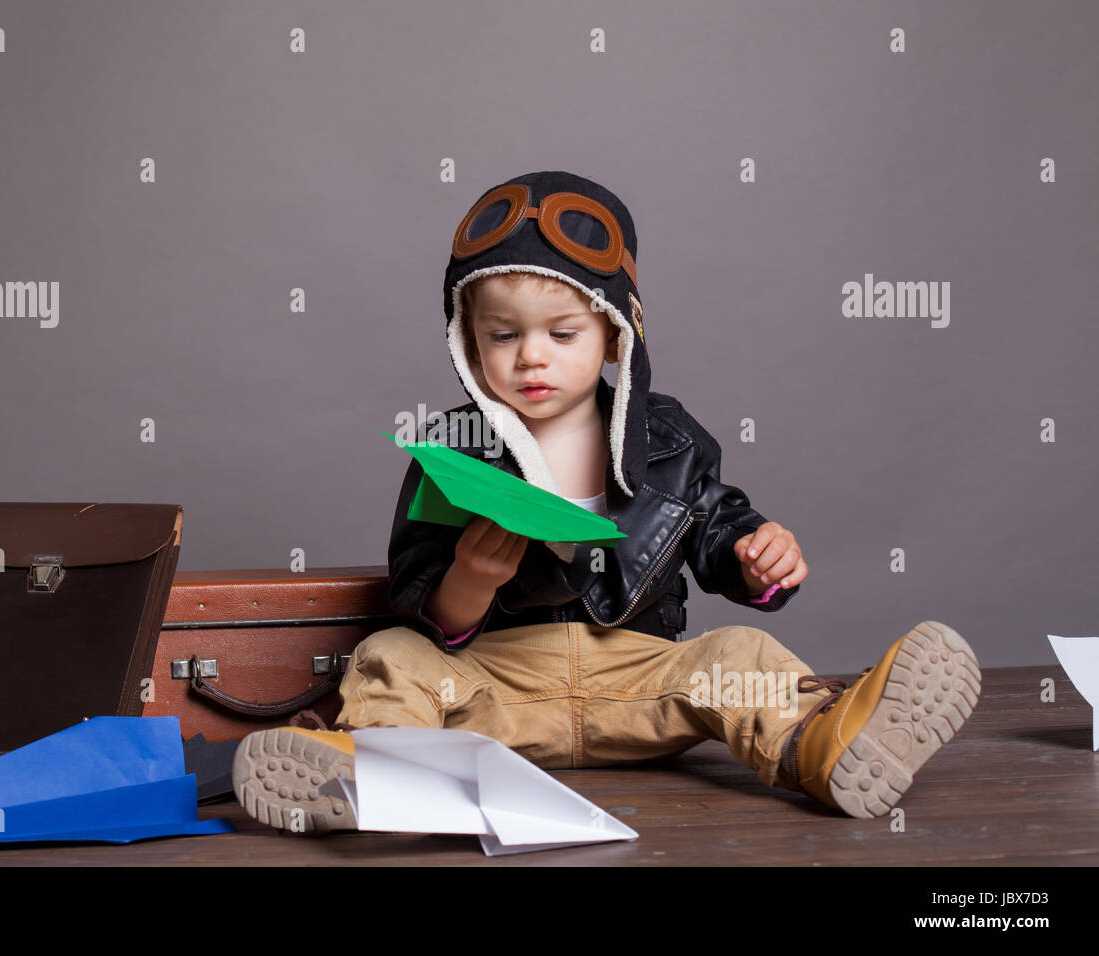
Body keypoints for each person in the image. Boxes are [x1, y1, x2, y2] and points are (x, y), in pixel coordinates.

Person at [232, 170, 981, 835]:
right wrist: (472, 580)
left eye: (562, 333)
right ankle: (385, 774)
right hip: (496, 687)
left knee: (737, 657)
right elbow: (424, 609)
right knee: (389, 656)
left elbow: (722, 534)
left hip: (642, 679)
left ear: (616, 336)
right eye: (502, 335)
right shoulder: (454, 445)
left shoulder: (670, 438)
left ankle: (830, 746)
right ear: (467, 343)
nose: (531, 356)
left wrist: (760, 561)